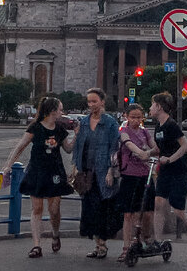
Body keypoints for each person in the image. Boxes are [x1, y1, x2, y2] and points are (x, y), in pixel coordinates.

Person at [2, 95, 76, 258]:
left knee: (54, 210)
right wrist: (8, 165)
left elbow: (68, 149)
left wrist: (76, 135)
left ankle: (55, 234)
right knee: (37, 209)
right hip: (37, 171)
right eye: (61, 109)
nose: (62, 113)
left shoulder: (59, 130)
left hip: (55, 172)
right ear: (52, 111)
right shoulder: (35, 127)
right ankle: (36, 245)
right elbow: (20, 146)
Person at [148, 91, 187, 262]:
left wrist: (170, 159)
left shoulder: (171, 125)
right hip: (165, 170)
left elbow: (186, 145)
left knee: (179, 210)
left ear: (158, 107)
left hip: (179, 171)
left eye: (152, 105)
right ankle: (158, 241)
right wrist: (146, 153)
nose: (150, 108)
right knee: (158, 203)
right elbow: (159, 149)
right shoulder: (158, 126)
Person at [73, 87, 123, 259]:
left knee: (103, 208)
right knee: (90, 209)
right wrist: (75, 169)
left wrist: (111, 170)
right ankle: (97, 244)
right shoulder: (84, 122)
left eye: (94, 101)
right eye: (89, 102)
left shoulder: (110, 123)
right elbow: (79, 148)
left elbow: (115, 148)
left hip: (103, 173)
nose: (91, 105)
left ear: (102, 102)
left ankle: (102, 245)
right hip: (87, 173)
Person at [115, 103, 156, 263]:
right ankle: (126, 247)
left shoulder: (145, 132)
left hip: (145, 175)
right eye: (133, 117)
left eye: (139, 117)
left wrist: (151, 151)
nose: (136, 120)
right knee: (128, 214)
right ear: (126, 117)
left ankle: (145, 238)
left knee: (147, 212)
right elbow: (127, 143)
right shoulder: (124, 131)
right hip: (129, 175)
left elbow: (155, 147)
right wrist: (140, 152)